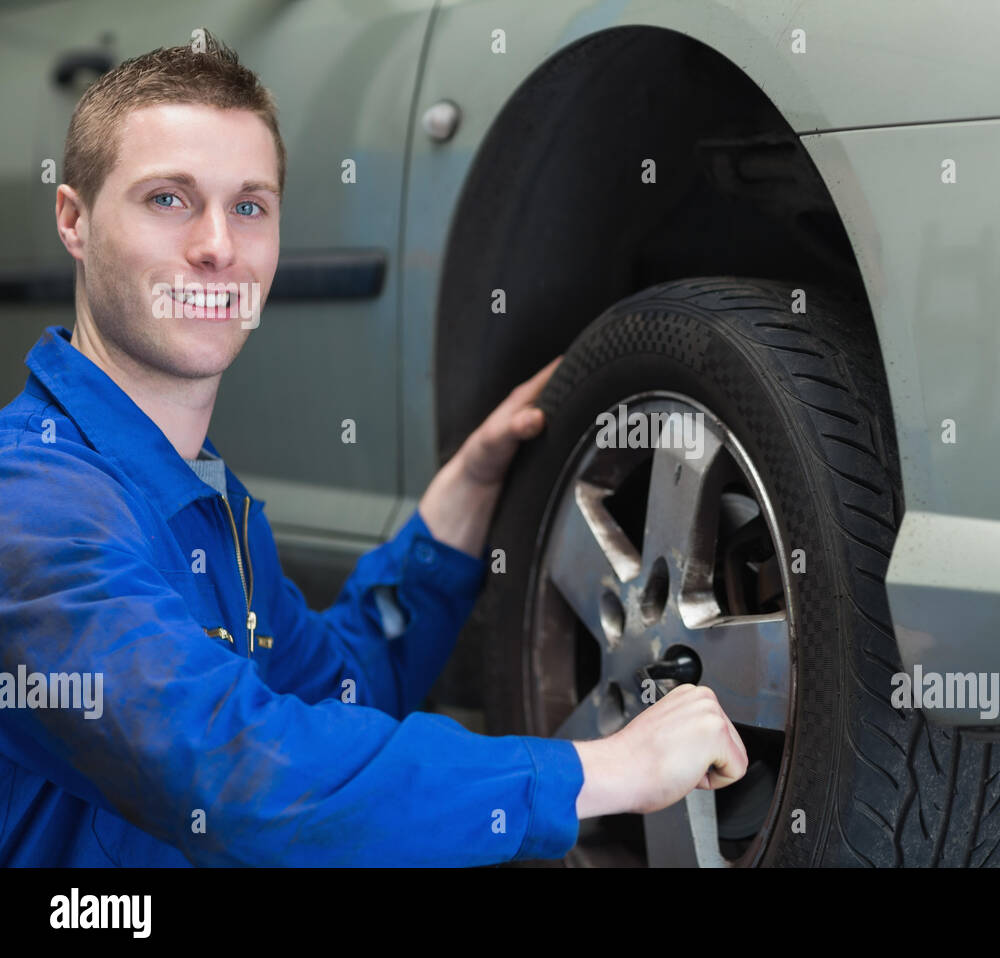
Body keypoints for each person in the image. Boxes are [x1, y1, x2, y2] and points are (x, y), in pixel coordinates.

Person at [0, 31, 746, 866]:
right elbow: (245, 774)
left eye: (249, 206)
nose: (217, 246)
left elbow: (340, 690)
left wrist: (462, 494)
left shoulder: (203, 503)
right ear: (73, 219)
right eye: (168, 199)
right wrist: (601, 771)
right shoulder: (30, 511)